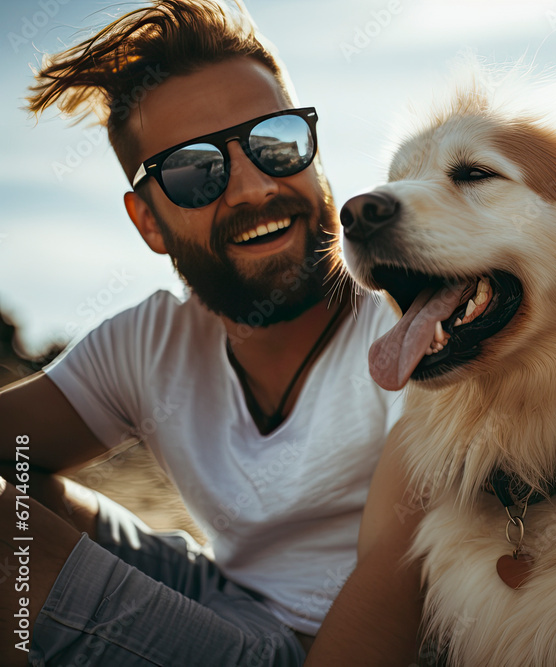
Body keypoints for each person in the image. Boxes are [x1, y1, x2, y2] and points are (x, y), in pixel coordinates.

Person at [0, 0, 402, 664]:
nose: (251, 187)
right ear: (148, 222)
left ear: (314, 151)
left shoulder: (406, 322)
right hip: (217, 592)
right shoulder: (150, 343)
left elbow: (406, 580)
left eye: (276, 142)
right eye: (195, 171)